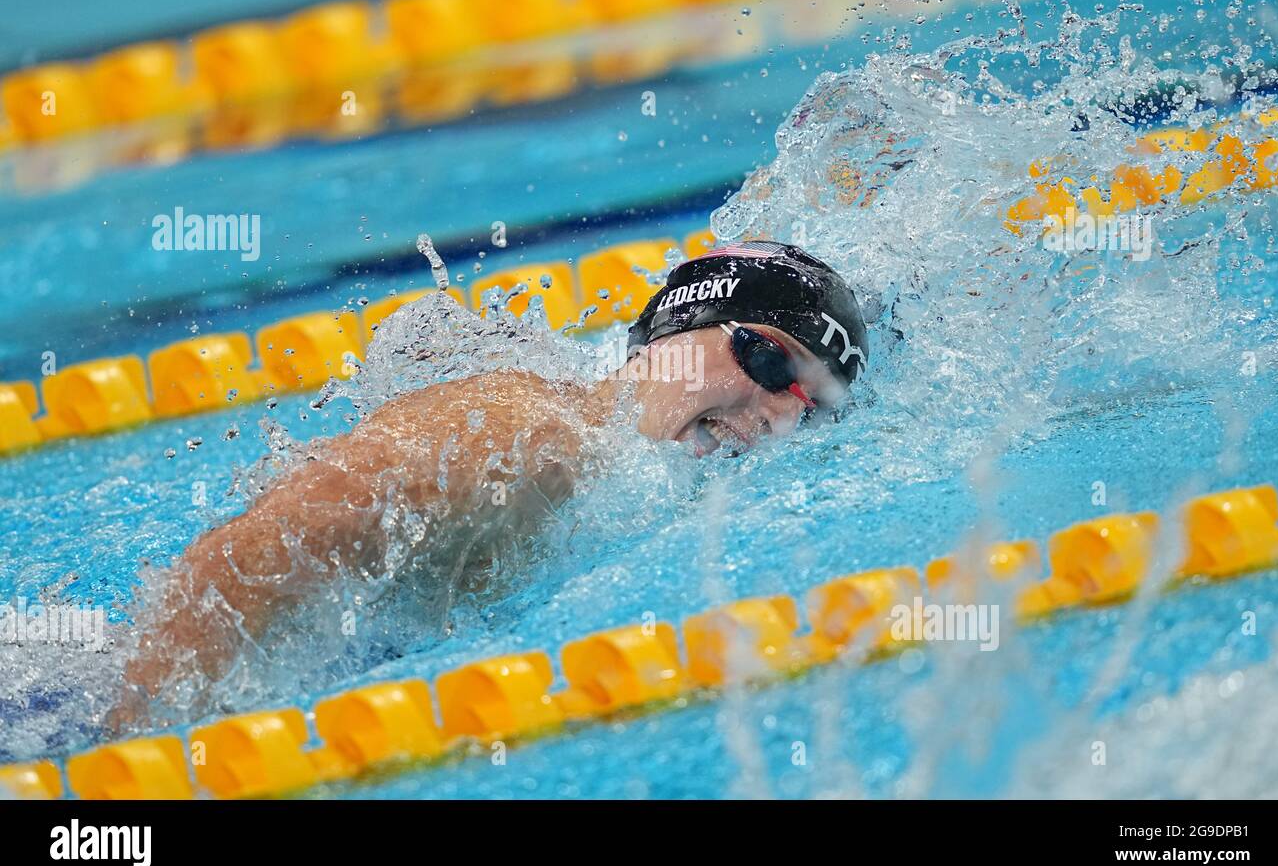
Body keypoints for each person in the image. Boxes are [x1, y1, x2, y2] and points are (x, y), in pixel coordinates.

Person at [117, 241, 868, 719]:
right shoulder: (525, 435)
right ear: (673, 332)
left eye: (809, 405)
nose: (774, 414)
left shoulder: (616, 485)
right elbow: (241, 561)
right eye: (770, 361)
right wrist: (133, 734)